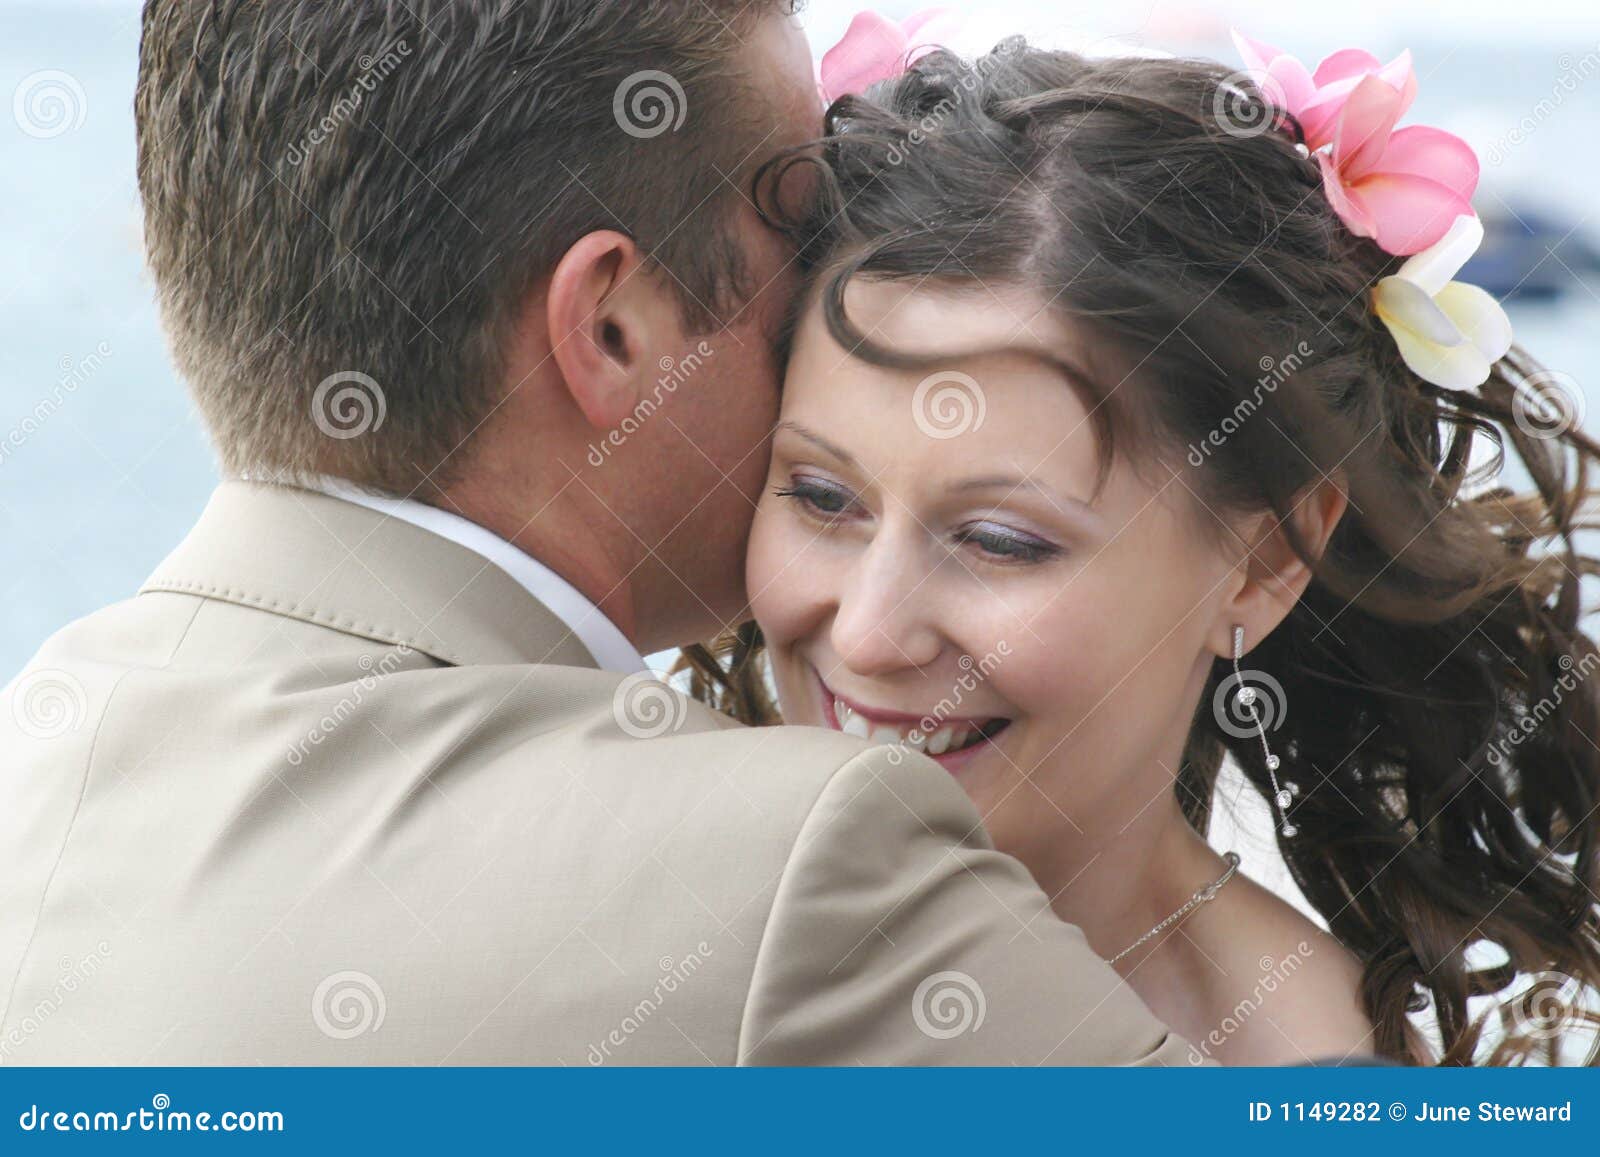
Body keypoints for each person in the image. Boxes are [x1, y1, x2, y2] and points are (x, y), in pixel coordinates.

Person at [1, 1, 1217, 1066]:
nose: (839, 298)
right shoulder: (802, 873)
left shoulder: (36, 751)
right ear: (615, 327)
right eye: (808, 229)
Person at [678, 36, 1600, 1064]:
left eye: (998, 540)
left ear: (1264, 561)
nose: (866, 631)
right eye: (820, 497)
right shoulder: (613, 902)